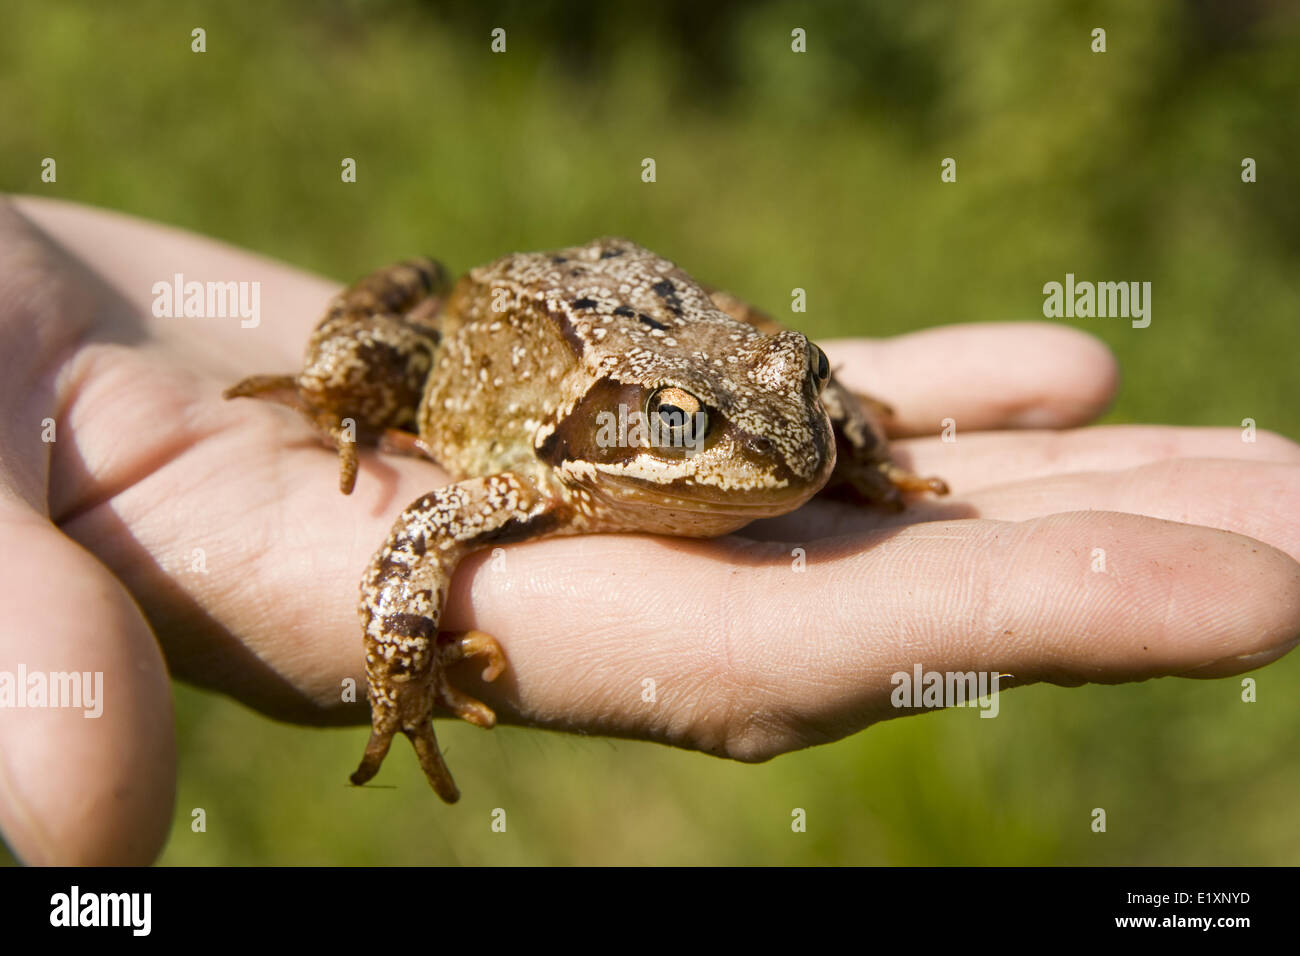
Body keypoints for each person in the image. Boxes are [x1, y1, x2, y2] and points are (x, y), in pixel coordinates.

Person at [1, 196, 1296, 864]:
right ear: (639, 433)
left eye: (797, 397)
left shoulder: (768, 402)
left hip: (652, 315)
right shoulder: (532, 478)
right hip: (511, 353)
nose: (772, 465)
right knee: (347, 365)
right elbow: (407, 549)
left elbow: (777, 387)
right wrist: (412, 676)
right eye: (687, 434)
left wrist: (842, 431)